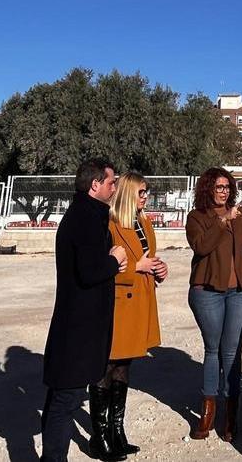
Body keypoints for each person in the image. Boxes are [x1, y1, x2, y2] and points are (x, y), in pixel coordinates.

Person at [40, 159, 127, 462]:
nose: (114, 189)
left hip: (81, 324)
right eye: (111, 182)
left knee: (63, 397)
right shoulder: (85, 218)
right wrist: (114, 260)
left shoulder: (89, 215)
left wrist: (110, 261)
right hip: (79, 327)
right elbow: (89, 272)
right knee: (66, 399)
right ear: (95, 185)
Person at [185, 167, 242, 442]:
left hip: (239, 291)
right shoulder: (196, 217)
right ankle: (207, 412)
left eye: (227, 187)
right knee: (212, 349)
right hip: (208, 292)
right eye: (219, 187)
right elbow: (201, 246)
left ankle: (231, 415)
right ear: (208, 188)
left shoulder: (241, 216)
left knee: (232, 351)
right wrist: (222, 221)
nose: (224, 192)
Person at [97, 172, 168, 459]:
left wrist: (159, 269)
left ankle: (117, 431)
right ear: (128, 194)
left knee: (124, 366)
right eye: (141, 192)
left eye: (146, 191)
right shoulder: (110, 224)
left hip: (139, 301)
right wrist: (136, 268)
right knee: (106, 367)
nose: (145, 196)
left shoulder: (144, 222)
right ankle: (100, 435)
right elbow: (101, 268)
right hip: (117, 304)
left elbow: (147, 258)